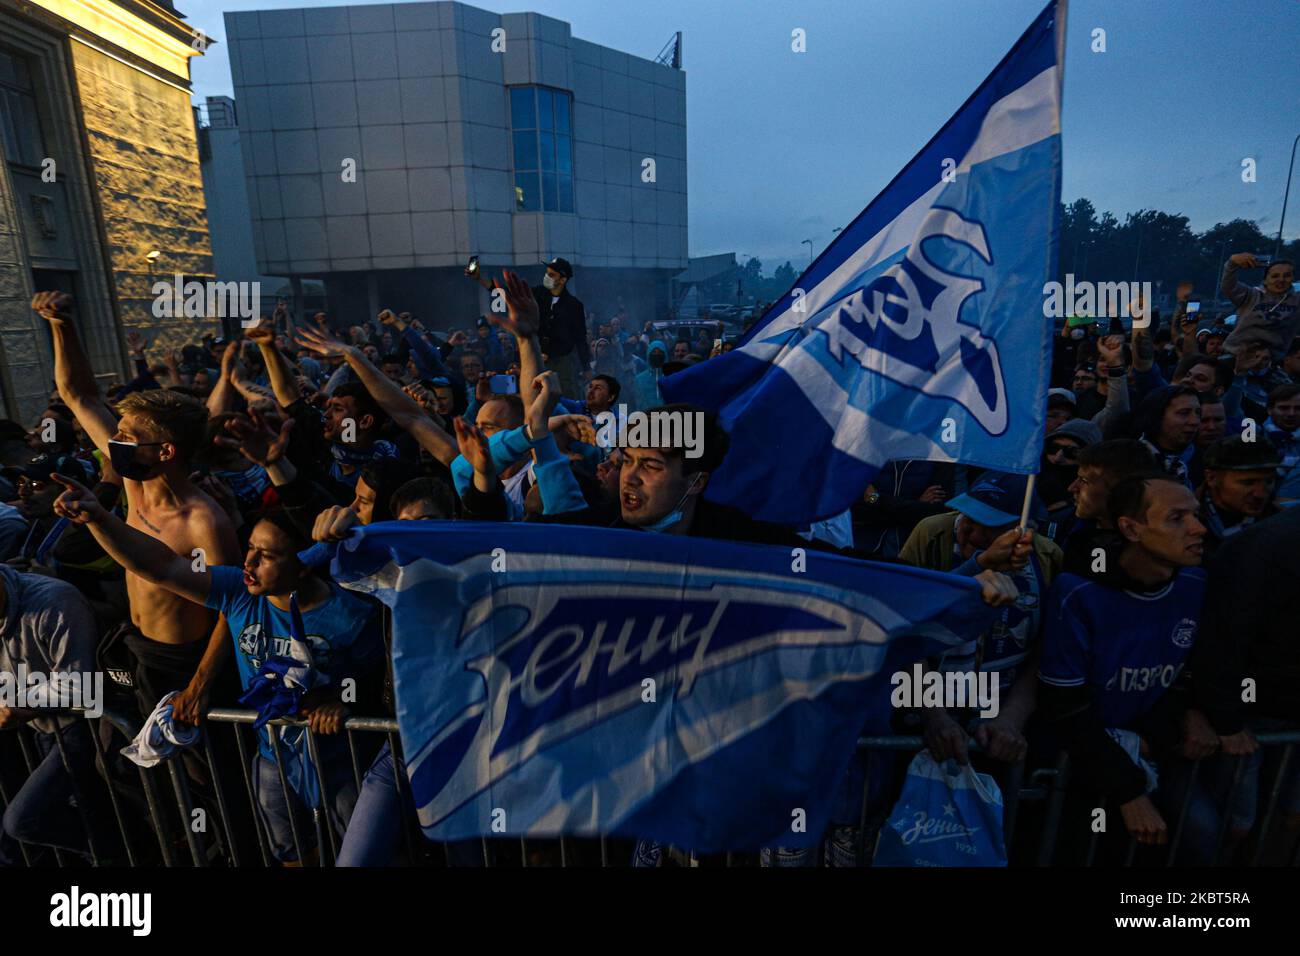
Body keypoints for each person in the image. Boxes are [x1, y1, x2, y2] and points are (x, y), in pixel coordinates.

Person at [52, 477, 384, 865]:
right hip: (273, 760)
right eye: (250, 549)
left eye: (267, 555)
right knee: (292, 852)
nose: (249, 562)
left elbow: (377, 686)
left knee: (364, 857)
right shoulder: (241, 594)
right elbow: (160, 565)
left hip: (345, 765)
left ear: (304, 566)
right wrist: (99, 519)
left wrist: (342, 703)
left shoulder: (354, 616)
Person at [31, 292, 241, 724]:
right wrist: (61, 325)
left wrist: (199, 685)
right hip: (137, 646)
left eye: (128, 437)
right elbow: (79, 396)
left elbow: (234, 607)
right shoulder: (133, 480)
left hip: (184, 663)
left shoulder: (204, 521)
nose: (115, 443)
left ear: (165, 451)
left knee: (203, 784)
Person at [1039, 474, 1212, 858]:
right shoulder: (1079, 593)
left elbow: (1190, 674)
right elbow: (1063, 704)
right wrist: (1129, 789)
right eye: (1176, 518)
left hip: (1156, 756)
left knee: (1197, 834)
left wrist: (1170, 727)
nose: (1198, 528)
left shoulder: (1197, 584)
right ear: (1131, 528)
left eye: (1196, 515)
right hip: (1077, 770)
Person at [898, 472, 1063, 766]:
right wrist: (933, 716)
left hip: (997, 730)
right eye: (968, 515)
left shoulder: (1047, 556)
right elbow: (903, 625)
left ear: (1021, 528)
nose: (971, 530)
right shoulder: (931, 533)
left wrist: (1010, 720)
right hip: (918, 721)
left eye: (990, 525)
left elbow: (1043, 651)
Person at [0, 562, 120, 866]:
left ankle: (119, 853)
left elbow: (79, 684)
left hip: (87, 726)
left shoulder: (54, 601)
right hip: (41, 729)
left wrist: (14, 703)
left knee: (22, 819)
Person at [1060, 439, 1160, 575]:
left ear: (1120, 488)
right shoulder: (1064, 526)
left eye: (1084, 481)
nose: (1072, 488)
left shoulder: (1160, 542)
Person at [1196, 436, 1280, 554]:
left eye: (1269, 482)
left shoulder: (1280, 523)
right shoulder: (1183, 521)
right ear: (1212, 478)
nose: (1260, 494)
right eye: (1248, 483)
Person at [1220, 255, 1299, 361]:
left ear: (1293, 278)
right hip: (1236, 355)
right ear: (1265, 280)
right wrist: (1232, 263)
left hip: (1272, 361)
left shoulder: (1297, 301)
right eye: (1275, 276)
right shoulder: (1251, 295)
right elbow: (1228, 286)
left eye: (1287, 275)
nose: (1281, 280)